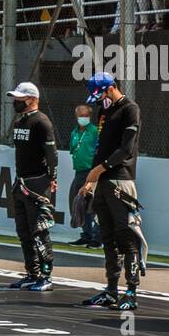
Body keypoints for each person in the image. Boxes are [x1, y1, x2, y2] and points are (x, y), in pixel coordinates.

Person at [77, 72, 147, 312]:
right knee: (107, 238)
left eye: (101, 95)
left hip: (120, 181)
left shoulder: (130, 109)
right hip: (102, 181)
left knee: (126, 237)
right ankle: (111, 289)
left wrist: (99, 169)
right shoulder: (104, 111)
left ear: (110, 88)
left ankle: (131, 291)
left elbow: (126, 149)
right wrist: (91, 179)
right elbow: (101, 147)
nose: (98, 101)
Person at [5, 82, 59, 291]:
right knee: (24, 231)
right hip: (20, 182)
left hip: (37, 184)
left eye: (19, 98)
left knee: (39, 231)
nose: (15, 102)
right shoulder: (20, 122)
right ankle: (31, 273)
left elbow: (52, 155)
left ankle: (46, 275)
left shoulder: (42, 122)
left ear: (31, 99)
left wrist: (52, 178)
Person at [68, 103, 100, 246]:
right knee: (80, 203)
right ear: (76, 117)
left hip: (92, 170)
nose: (84, 118)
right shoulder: (74, 132)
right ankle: (86, 234)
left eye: (86, 116)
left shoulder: (94, 131)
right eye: (81, 116)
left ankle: (97, 238)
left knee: (94, 204)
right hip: (79, 171)